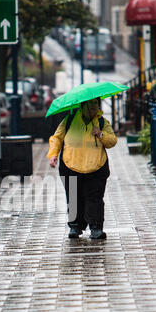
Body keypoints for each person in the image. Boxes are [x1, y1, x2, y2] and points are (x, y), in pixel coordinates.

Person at [47, 97, 117, 239]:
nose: (93, 107)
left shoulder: (102, 122)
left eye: (96, 104)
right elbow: (57, 138)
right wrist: (53, 154)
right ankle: (75, 227)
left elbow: (112, 141)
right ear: (82, 106)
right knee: (73, 198)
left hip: (96, 167)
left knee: (95, 199)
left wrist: (101, 134)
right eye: (90, 104)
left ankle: (96, 227)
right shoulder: (69, 120)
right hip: (71, 165)